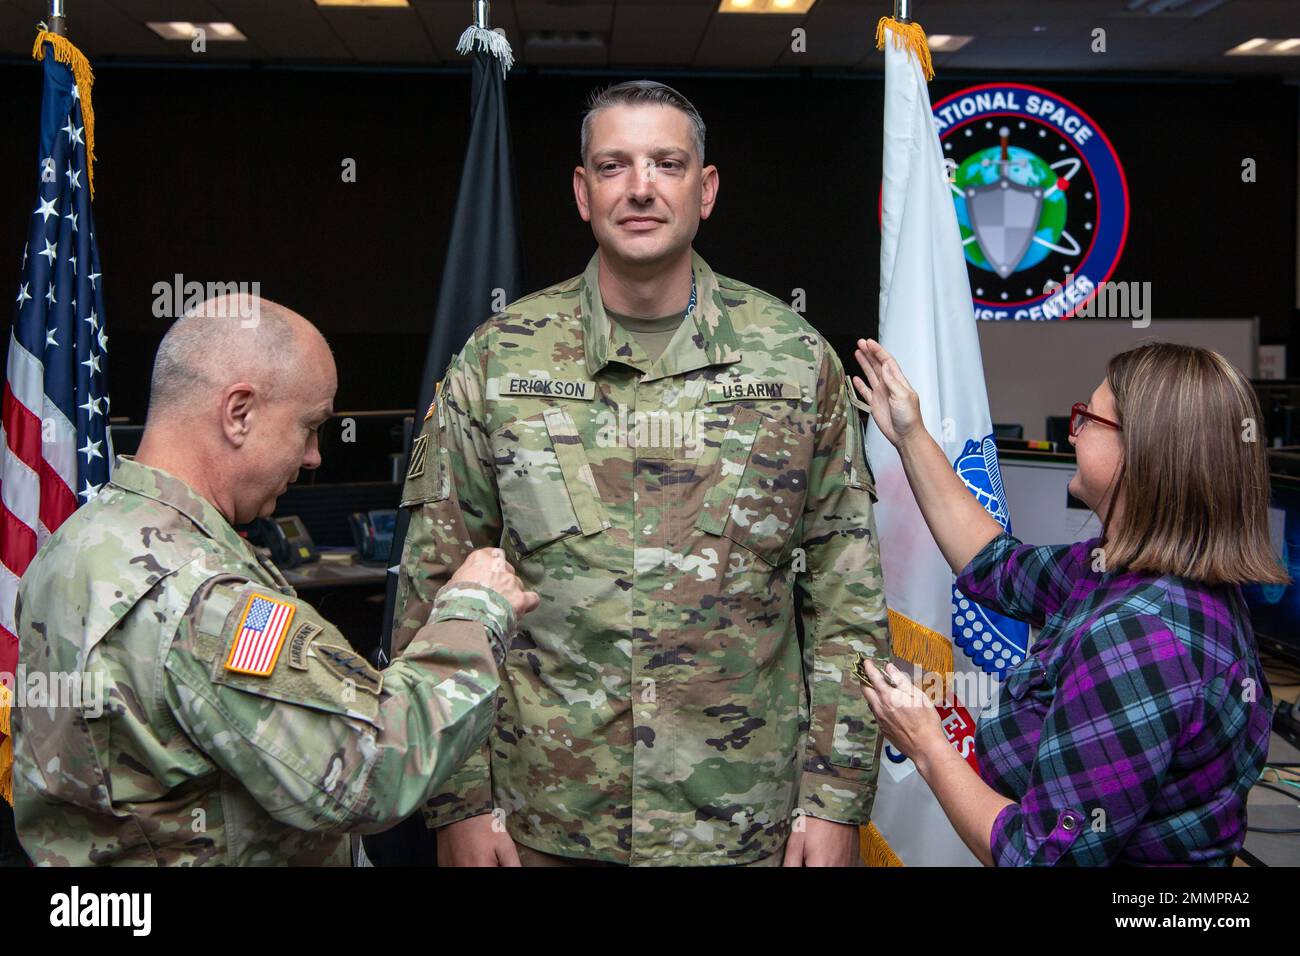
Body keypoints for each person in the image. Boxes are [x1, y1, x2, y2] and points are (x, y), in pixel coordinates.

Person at [393, 81, 890, 867]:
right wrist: (459, 799)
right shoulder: (500, 359)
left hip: (742, 823)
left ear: (707, 187)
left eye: (667, 163)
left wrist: (834, 799)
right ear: (583, 192)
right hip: (543, 823)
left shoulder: (794, 362)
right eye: (614, 166)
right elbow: (435, 583)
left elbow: (844, 593)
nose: (641, 188)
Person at [12, 294, 537, 866]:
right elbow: (370, 773)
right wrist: (472, 613)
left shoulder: (79, 540)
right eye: (310, 426)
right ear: (239, 412)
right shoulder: (204, 596)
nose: (314, 456)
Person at [853, 338, 1284, 865]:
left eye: (1088, 417)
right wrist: (909, 434)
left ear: (1143, 451)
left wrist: (925, 742)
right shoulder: (1129, 573)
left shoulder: (1142, 637)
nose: (1072, 429)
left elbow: (1038, 857)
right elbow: (994, 566)